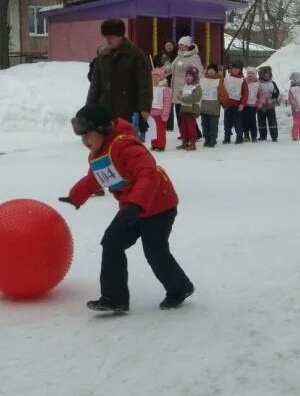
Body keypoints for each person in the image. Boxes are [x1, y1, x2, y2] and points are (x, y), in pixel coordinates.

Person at [59, 105, 195, 313]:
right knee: (111, 242)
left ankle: (180, 288)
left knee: (155, 251)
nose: (84, 141)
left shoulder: (126, 145)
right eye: (81, 137)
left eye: (87, 135)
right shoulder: (98, 153)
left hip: (159, 206)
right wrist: (76, 196)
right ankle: (114, 298)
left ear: (103, 129)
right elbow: (95, 178)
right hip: (132, 207)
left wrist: (136, 204)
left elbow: (148, 174)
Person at [87, 18, 152, 128]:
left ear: (120, 36)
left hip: (128, 109)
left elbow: (144, 83)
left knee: (124, 141)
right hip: (104, 109)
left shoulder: (136, 55)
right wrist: (89, 107)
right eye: (106, 37)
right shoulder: (102, 57)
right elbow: (95, 85)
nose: (108, 40)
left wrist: (144, 108)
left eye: (111, 37)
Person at [170, 36, 203, 137]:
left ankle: (194, 133)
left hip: (186, 89)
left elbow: (198, 71)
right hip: (176, 88)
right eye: (180, 45)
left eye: (183, 45)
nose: (181, 47)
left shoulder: (194, 57)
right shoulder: (179, 56)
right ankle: (184, 133)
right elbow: (171, 68)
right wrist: (161, 71)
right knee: (180, 113)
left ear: (188, 46)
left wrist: (191, 83)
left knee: (187, 113)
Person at [219, 61, 248, 144]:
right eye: (234, 68)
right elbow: (222, 89)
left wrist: (242, 104)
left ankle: (239, 138)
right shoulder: (227, 78)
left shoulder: (243, 80)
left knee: (238, 123)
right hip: (227, 105)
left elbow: (245, 93)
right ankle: (227, 137)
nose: (235, 70)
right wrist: (222, 101)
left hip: (237, 105)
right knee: (227, 122)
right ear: (231, 69)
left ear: (240, 69)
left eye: (237, 68)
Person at [178, 67, 203, 151]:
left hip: (192, 110)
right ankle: (185, 141)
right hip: (184, 110)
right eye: (187, 76)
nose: (188, 77)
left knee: (191, 127)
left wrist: (183, 98)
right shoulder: (186, 86)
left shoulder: (197, 87)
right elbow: (181, 93)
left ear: (194, 77)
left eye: (190, 76)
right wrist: (179, 96)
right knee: (183, 127)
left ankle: (192, 143)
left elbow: (195, 98)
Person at [200, 64, 222, 147]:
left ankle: (213, 139)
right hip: (204, 105)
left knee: (213, 124)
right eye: (209, 69)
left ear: (216, 72)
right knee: (204, 124)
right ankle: (206, 139)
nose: (211, 71)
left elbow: (223, 93)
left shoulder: (219, 80)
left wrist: (224, 103)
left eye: (213, 70)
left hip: (214, 106)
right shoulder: (202, 80)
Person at [150, 67, 172, 152]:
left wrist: (165, 114)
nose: (154, 79)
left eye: (157, 77)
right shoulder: (150, 88)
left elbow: (167, 103)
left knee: (160, 131)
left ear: (161, 78)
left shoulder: (164, 89)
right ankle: (154, 144)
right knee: (153, 130)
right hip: (151, 113)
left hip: (160, 114)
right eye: (153, 77)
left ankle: (161, 145)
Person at [257, 66, 280, 142]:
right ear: (261, 74)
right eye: (265, 73)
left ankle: (274, 136)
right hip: (261, 106)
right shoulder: (258, 83)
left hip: (270, 105)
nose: (267, 75)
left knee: (272, 120)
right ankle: (263, 135)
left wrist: (274, 94)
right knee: (261, 121)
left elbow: (277, 92)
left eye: (268, 73)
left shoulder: (272, 83)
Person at [243, 67, 264, 143]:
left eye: (252, 73)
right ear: (246, 74)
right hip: (244, 105)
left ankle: (254, 136)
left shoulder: (257, 84)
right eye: (249, 73)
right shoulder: (243, 82)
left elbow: (261, 94)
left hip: (253, 105)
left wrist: (260, 102)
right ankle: (246, 135)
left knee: (252, 121)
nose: (250, 75)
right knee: (244, 120)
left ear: (255, 75)